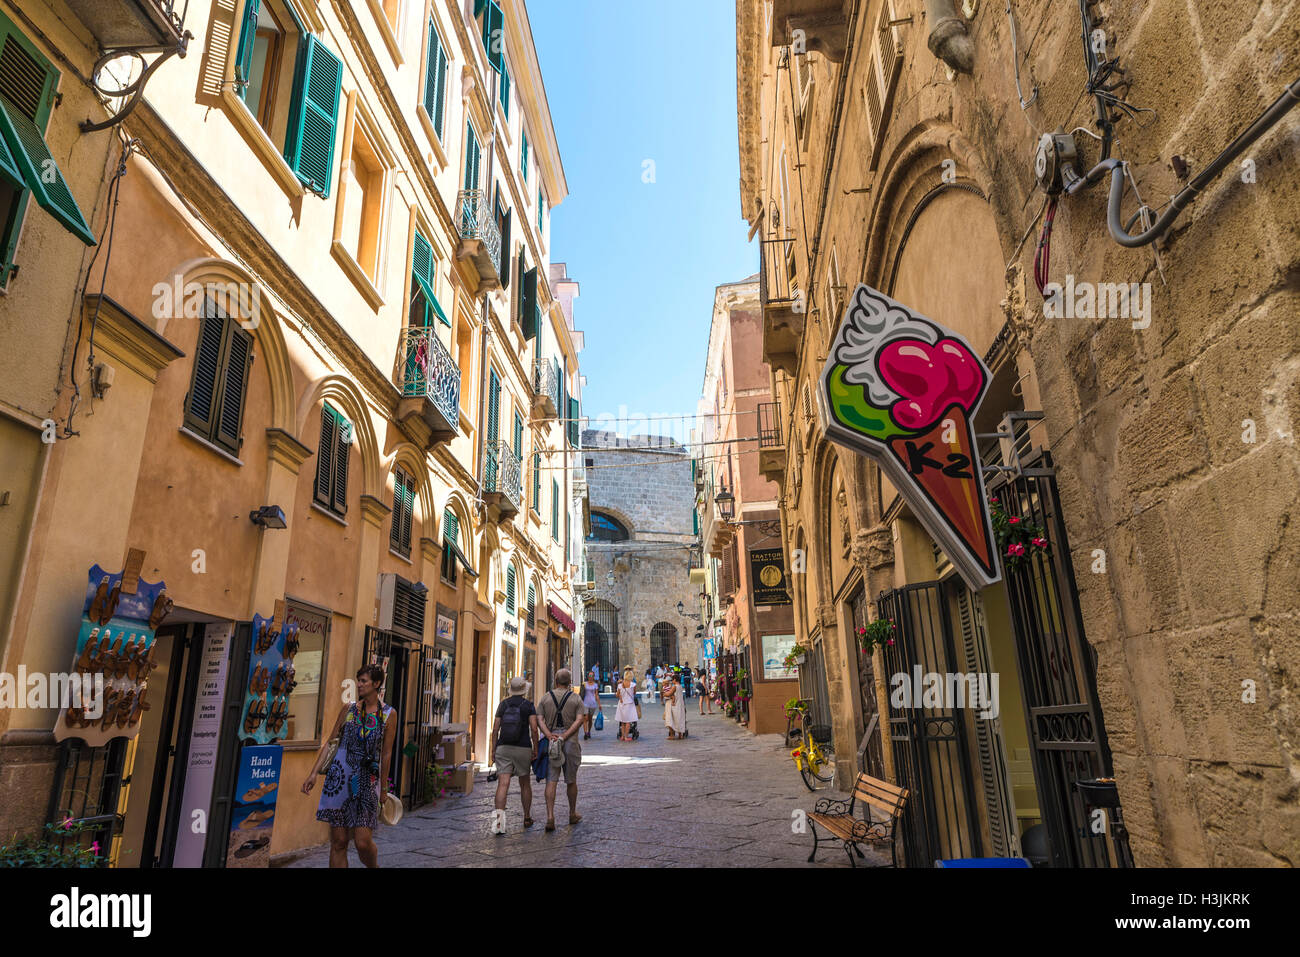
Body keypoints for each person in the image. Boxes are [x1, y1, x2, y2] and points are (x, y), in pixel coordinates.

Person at [302, 664, 397, 868]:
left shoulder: (389, 714)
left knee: (362, 842)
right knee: (339, 842)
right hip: (339, 780)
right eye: (359, 680)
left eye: (363, 681)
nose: (359, 684)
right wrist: (313, 773)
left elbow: (387, 753)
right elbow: (331, 741)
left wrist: (384, 789)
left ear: (377, 683)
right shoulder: (349, 709)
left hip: (367, 783)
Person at [488, 675, 541, 830]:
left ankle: (498, 824)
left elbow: (495, 729)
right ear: (524, 690)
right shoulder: (528, 705)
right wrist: (535, 748)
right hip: (523, 748)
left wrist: (493, 749)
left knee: (502, 784)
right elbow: (534, 728)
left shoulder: (503, 704)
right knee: (525, 784)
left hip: (503, 747)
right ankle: (526, 818)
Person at [536, 668, 586, 831]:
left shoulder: (546, 698)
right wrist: (564, 735)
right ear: (569, 683)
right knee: (571, 781)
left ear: (556, 681)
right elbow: (580, 720)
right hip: (570, 742)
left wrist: (548, 734)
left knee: (551, 780)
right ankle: (572, 813)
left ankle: (550, 817)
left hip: (552, 743)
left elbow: (539, 719)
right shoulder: (576, 698)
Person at [662, 669, 687, 739]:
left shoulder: (675, 686)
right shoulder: (680, 686)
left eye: (673, 680)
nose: (672, 681)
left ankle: (672, 735)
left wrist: (664, 694)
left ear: (675, 680)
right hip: (680, 704)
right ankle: (680, 734)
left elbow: (669, 694)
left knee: (674, 718)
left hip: (675, 705)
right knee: (679, 718)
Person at [615, 669, 639, 741]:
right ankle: (626, 736)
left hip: (621, 704)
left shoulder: (620, 685)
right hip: (630, 704)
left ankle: (622, 736)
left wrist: (621, 698)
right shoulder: (633, 685)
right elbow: (634, 693)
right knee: (628, 721)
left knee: (622, 721)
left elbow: (617, 695)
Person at [581, 670, 600, 739]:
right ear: (588, 676)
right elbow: (582, 693)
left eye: (592, 676)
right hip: (585, 703)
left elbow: (596, 695)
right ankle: (585, 733)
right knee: (585, 718)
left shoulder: (595, 685)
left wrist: (599, 704)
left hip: (592, 703)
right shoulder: (584, 684)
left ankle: (589, 731)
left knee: (590, 719)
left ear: (594, 677)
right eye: (589, 675)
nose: (590, 677)